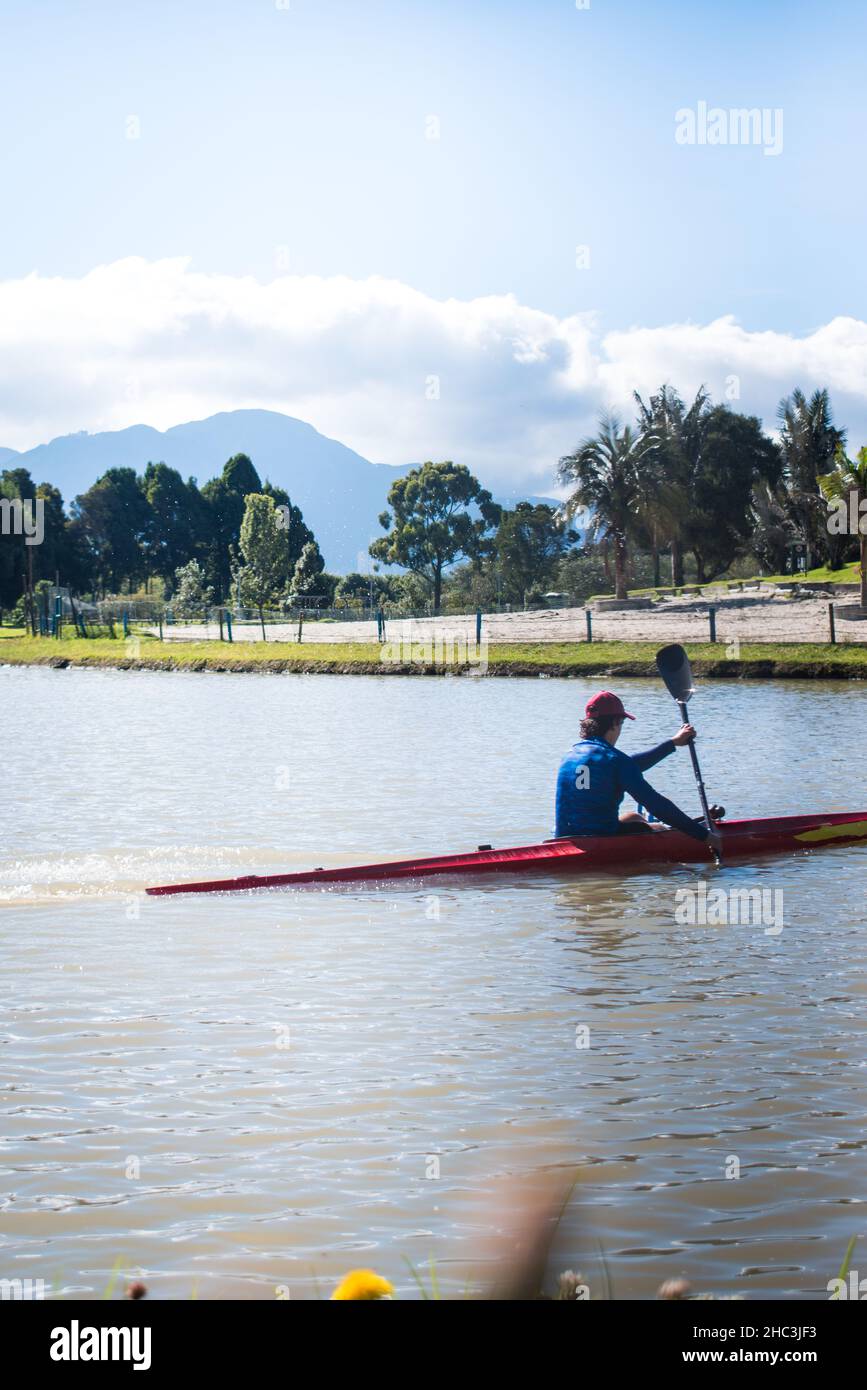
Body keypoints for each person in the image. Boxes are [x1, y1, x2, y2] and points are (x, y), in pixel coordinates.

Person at [554, 691, 722, 851]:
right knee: (658, 827)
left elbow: (628, 766)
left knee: (633, 817)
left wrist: (672, 743)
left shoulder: (569, 756)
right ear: (615, 723)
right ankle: (678, 831)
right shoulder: (615, 760)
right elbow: (656, 805)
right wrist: (705, 837)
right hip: (599, 842)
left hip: (563, 837)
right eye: (622, 723)